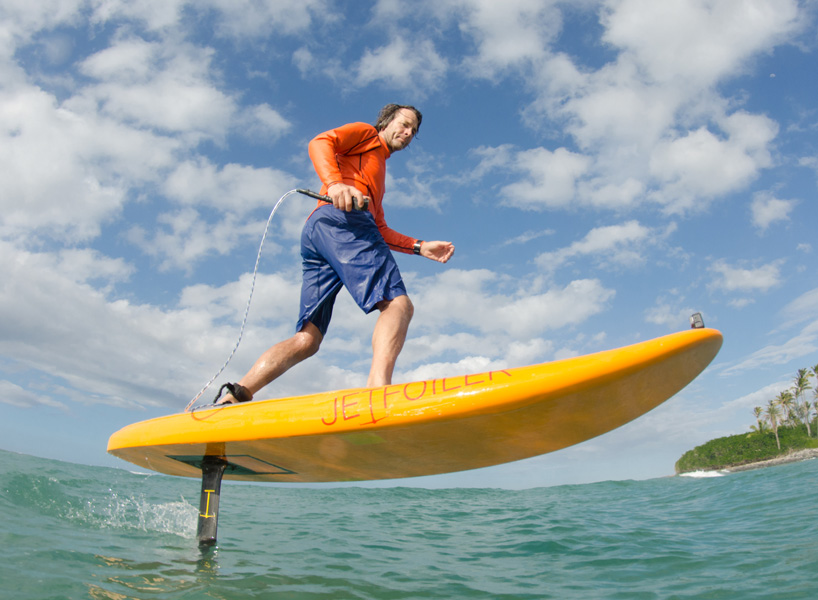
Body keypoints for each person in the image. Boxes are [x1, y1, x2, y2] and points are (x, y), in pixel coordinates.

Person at [216, 104, 455, 404]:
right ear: (385, 122)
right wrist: (335, 183)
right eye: (404, 124)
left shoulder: (376, 174)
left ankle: (236, 395)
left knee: (308, 339)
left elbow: (379, 228)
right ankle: (378, 392)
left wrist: (419, 246)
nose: (407, 133)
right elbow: (320, 142)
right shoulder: (367, 136)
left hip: (319, 231)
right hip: (341, 221)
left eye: (413, 131)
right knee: (398, 305)